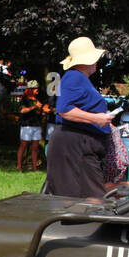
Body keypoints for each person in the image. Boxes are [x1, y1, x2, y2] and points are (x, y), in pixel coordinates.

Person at [45, 36, 113, 198]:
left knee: (81, 196)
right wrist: (97, 119)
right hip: (75, 146)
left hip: (77, 144)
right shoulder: (74, 77)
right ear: (86, 60)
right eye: (94, 58)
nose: (97, 61)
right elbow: (64, 109)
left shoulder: (78, 78)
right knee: (89, 197)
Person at [16, 81, 44, 172]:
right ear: (31, 90)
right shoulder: (24, 100)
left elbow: (39, 112)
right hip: (26, 125)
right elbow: (22, 111)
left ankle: (34, 168)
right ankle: (19, 166)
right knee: (23, 145)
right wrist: (34, 107)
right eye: (36, 88)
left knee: (35, 147)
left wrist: (41, 111)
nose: (37, 90)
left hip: (36, 125)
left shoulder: (37, 100)